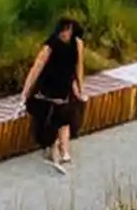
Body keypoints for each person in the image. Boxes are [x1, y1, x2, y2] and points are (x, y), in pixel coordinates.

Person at [21, 18, 87, 174]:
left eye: (67, 31)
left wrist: (80, 88)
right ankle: (55, 147)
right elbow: (36, 68)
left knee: (65, 116)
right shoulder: (50, 46)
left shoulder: (77, 44)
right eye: (62, 31)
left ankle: (64, 150)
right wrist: (25, 93)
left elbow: (78, 67)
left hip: (65, 85)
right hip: (47, 86)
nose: (64, 34)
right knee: (54, 116)